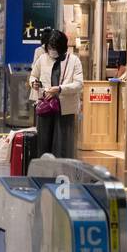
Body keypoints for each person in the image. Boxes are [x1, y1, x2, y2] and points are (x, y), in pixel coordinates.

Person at [30, 29, 84, 159]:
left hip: (65, 109)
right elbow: (33, 75)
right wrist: (34, 83)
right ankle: (44, 171)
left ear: (62, 47)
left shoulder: (74, 61)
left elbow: (79, 84)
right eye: (49, 47)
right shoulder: (43, 58)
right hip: (46, 107)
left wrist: (59, 89)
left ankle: (63, 171)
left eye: (54, 47)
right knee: (43, 143)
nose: (51, 50)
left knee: (63, 144)